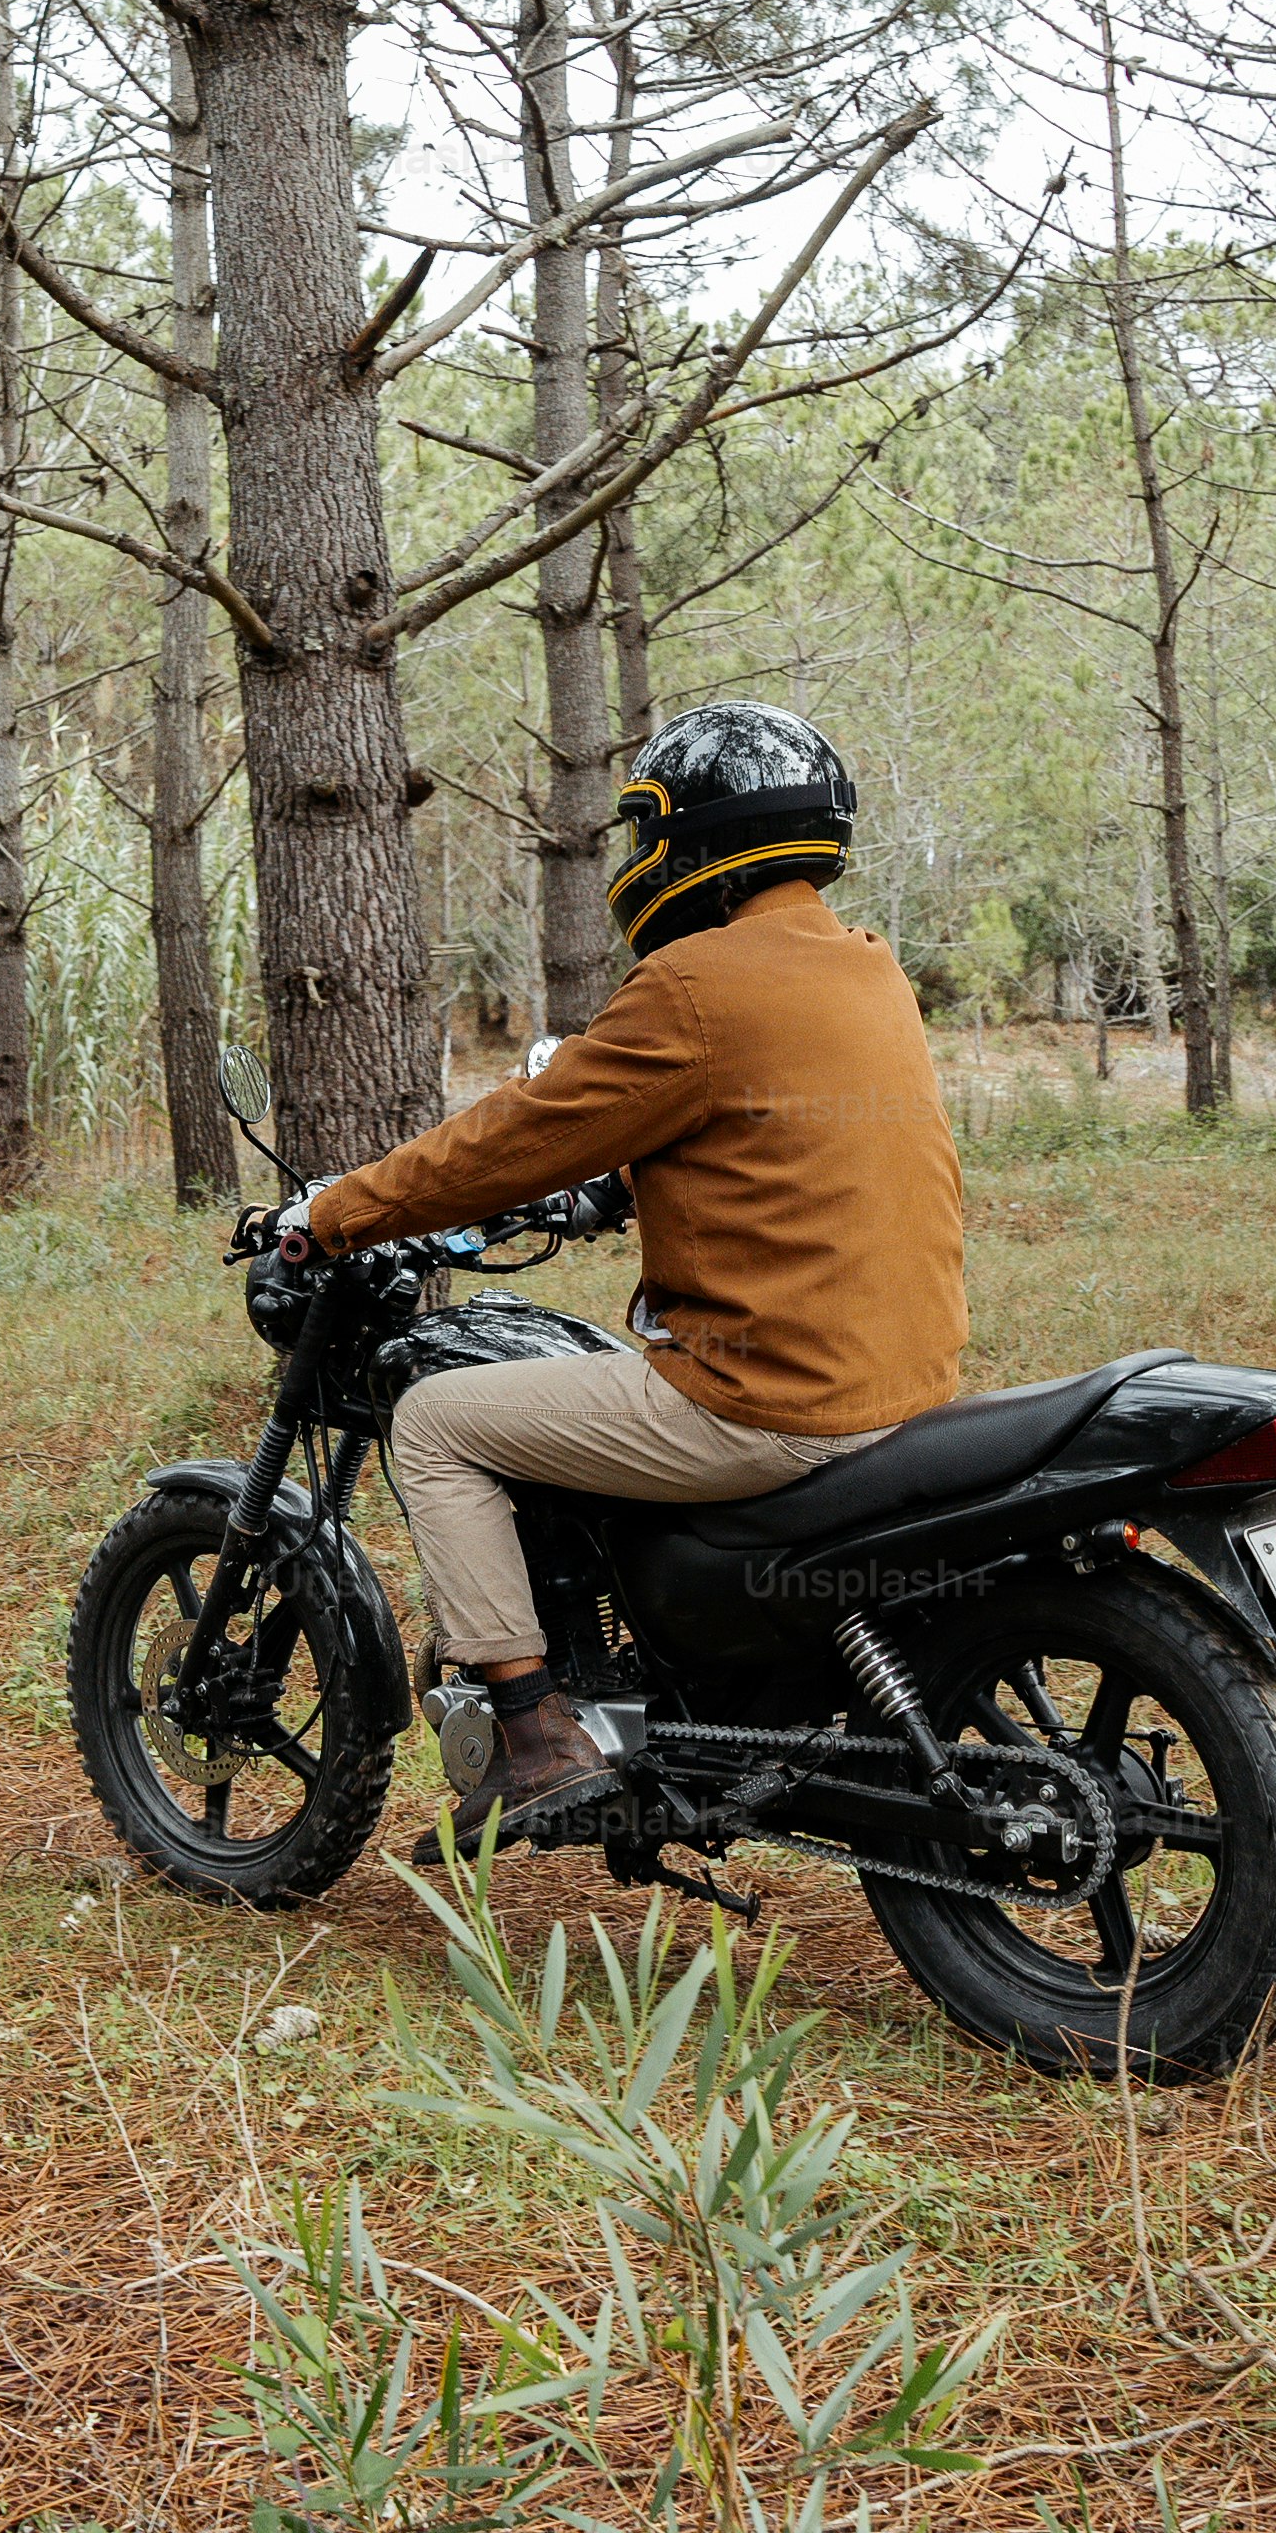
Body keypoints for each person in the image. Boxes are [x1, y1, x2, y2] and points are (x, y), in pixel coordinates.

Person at [281, 702, 967, 1852]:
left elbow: (505, 1142)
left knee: (440, 1419)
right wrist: (631, 1180)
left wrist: (335, 1213)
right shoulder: (863, 967)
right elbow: (775, 1141)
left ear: (687, 840)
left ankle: (533, 1736)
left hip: (768, 1400)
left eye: (644, 834)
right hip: (905, 1382)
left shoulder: (696, 986)